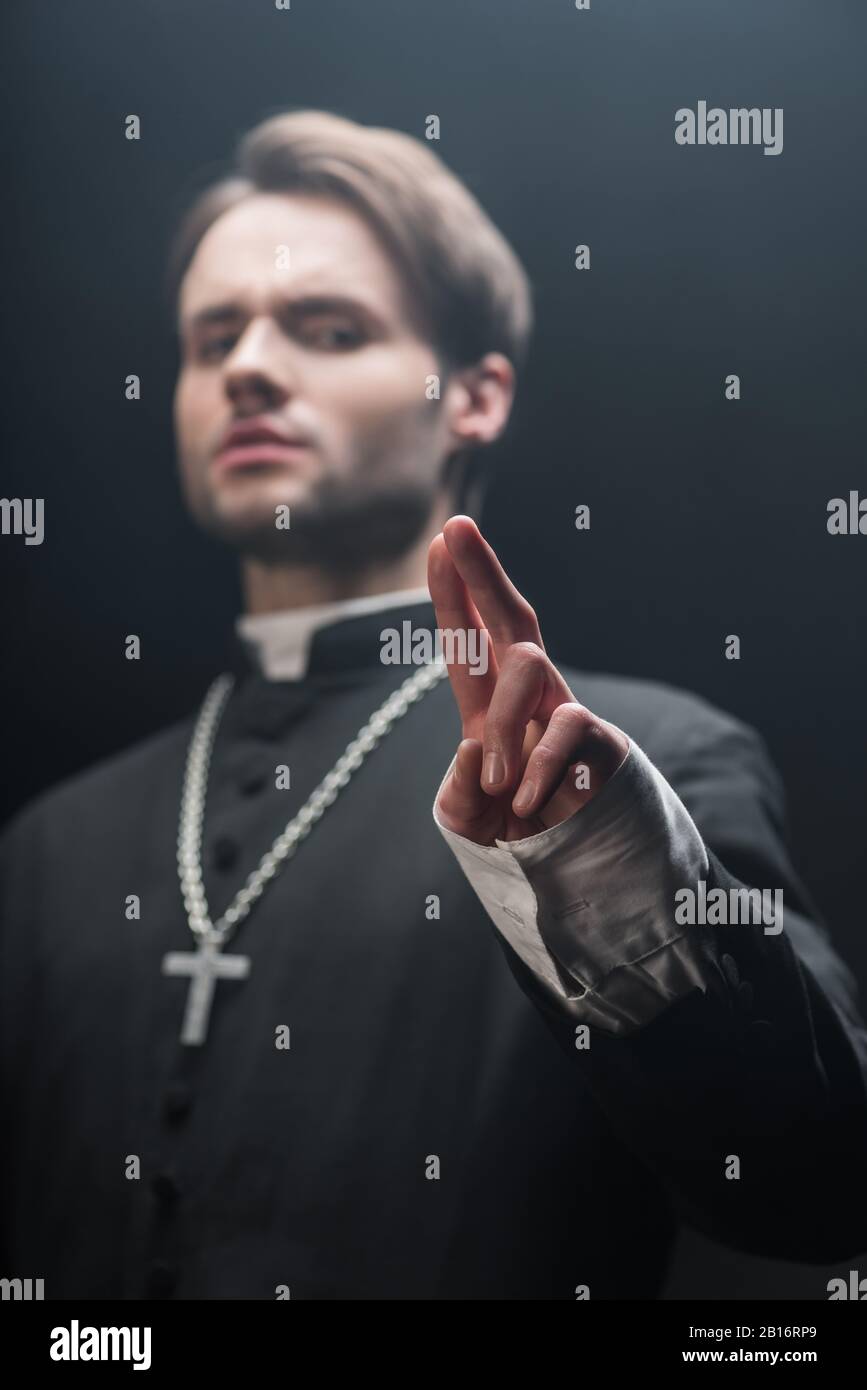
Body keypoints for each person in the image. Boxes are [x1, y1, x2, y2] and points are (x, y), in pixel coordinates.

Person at [1, 109, 865, 1302]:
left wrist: (601, 877)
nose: (248, 366)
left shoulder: (651, 761)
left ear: (474, 396)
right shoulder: (47, 849)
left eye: (328, 329)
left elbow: (820, 1185)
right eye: (214, 338)